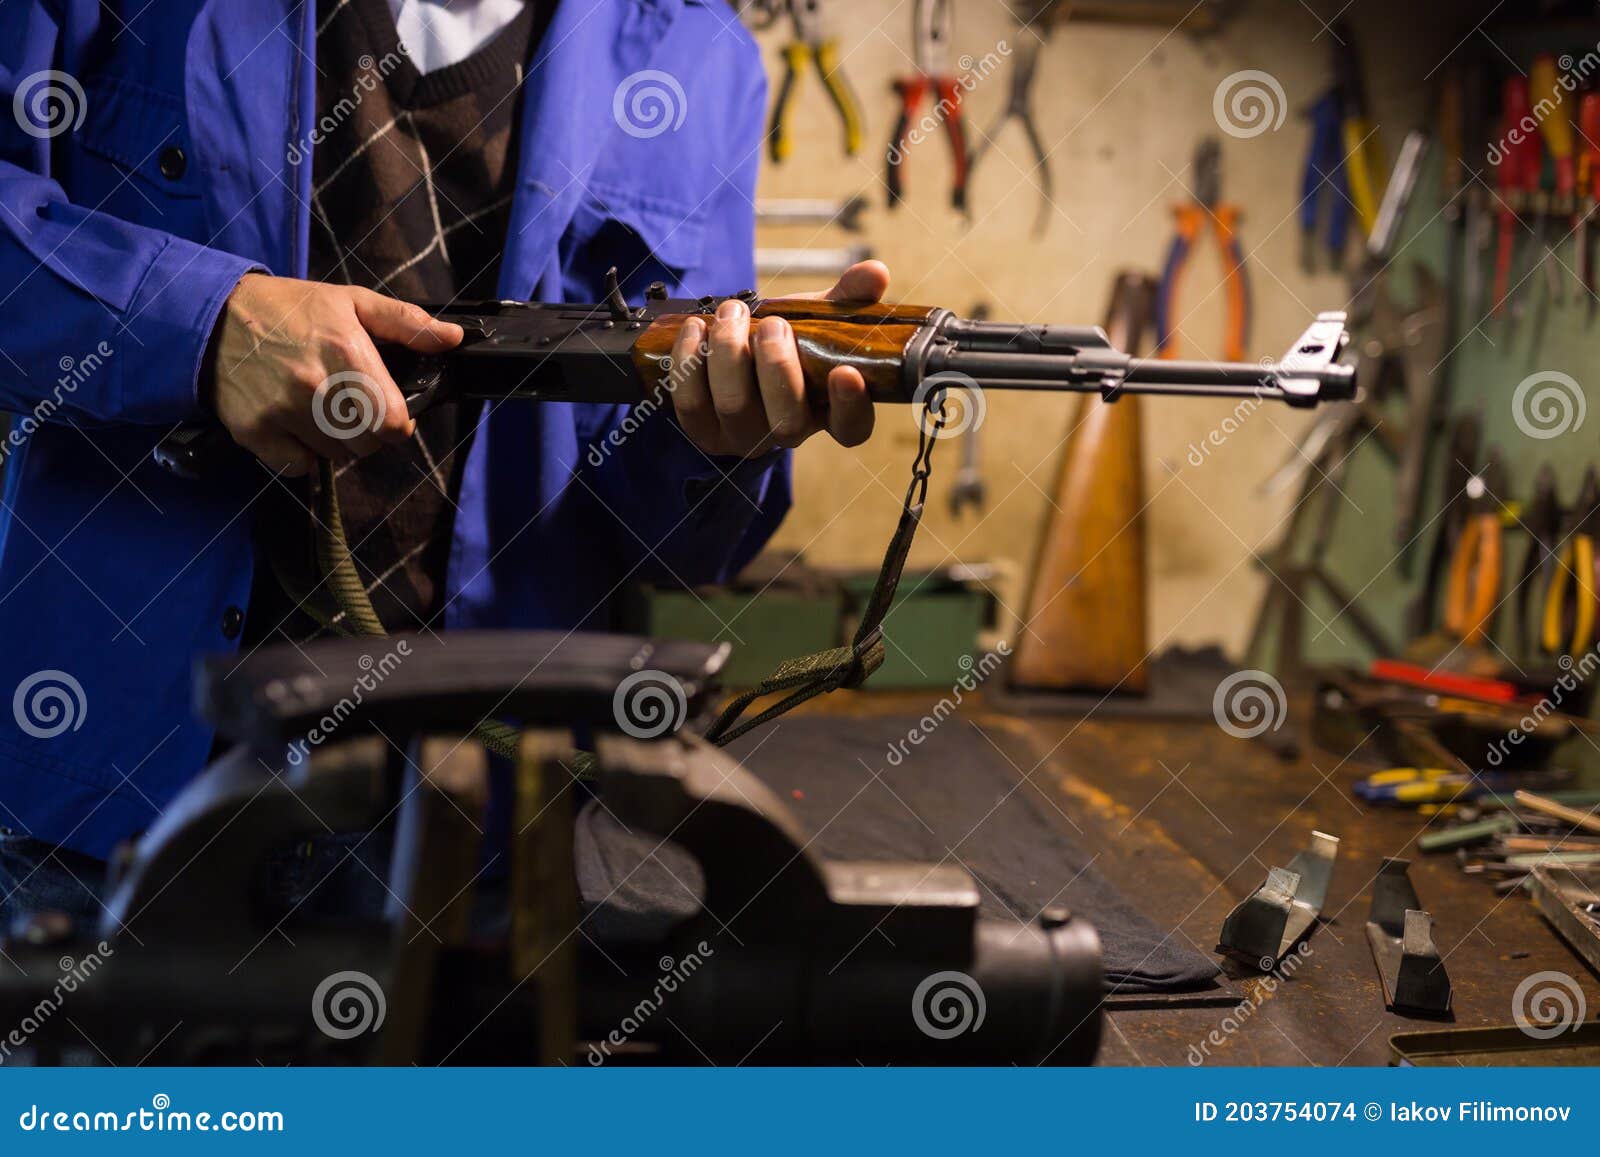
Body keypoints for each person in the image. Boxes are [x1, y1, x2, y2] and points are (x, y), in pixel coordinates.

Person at [0, 0, 886, 925]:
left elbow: (672, 548)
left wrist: (718, 447)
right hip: (109, 806)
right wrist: (204, 323)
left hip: (482, 838)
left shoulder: (698, 53)